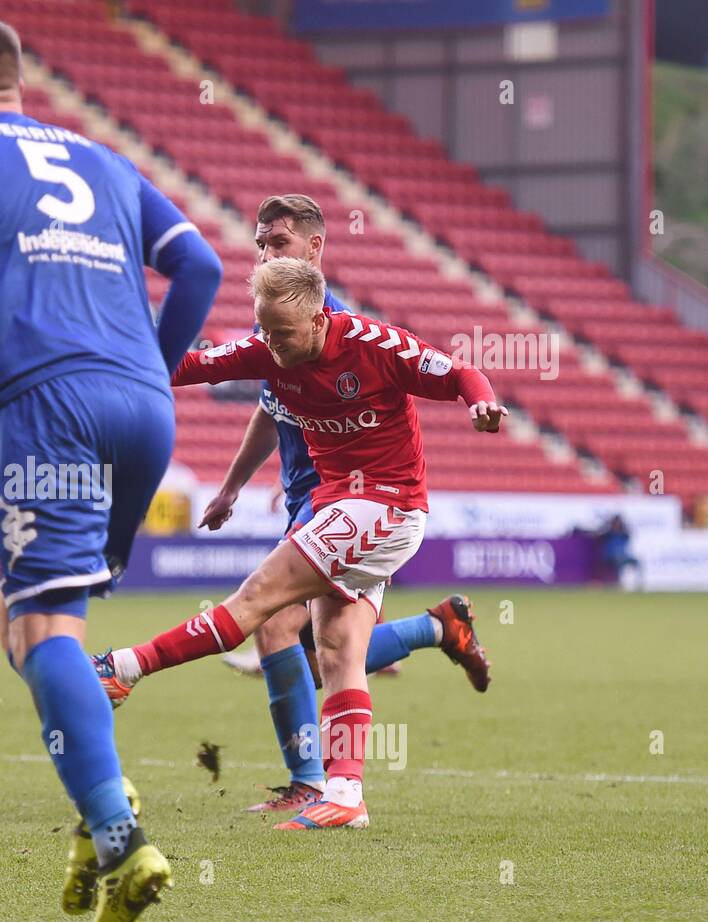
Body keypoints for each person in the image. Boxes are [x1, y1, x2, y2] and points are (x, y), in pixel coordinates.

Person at [0, 12, 221, 922]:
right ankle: (92, 820)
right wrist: (153, 373)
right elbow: (197, 265)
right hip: (145, 413)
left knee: (37, 628)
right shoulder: (103, 159)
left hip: (51, 408)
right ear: (19, 84)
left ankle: (123, 841)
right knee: (34, 621)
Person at [95, 257, 506, 830]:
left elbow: (458, 372)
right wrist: (122, 358)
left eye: (284, 332)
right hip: (346, 508)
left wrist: (481, 403)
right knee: (337, 650)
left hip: (386, 504)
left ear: (319, 318)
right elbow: (189, 365)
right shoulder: (268, 348)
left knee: (260, 598)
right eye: (264, 328)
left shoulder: (374, 343)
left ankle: (124, 666)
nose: (272, 344)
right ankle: (344, 795)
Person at [201, 195, 490, 813]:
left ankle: (312, 781)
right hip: (311, 497)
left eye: (277, 243)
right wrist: (231, 486)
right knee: (325, 645)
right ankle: (437, 627)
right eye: (259, 245)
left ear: (314, 249)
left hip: (350, 500)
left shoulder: (340, 332)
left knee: (280, 628)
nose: (264, 255)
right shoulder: (273, 329)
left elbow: (444, 375)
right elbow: (268, 402)